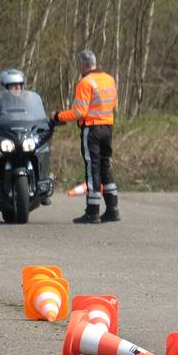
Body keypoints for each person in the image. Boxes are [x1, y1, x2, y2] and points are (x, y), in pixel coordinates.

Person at [0, 69, 51, 223]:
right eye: (13, 85)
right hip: (4, 141)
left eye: (20, 84)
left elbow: (37, 119)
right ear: (4, 87)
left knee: (42, 149)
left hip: (24, 139)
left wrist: (48, 123)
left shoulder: (29, 102)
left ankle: (43, 186)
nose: (17, 88)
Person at [52, 49, 119, 224]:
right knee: (105, 166)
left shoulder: (85, 82)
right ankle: (112, 209)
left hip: (92, 130)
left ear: (83, 65)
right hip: (108, 127)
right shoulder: (109, 79)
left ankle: (92, 212)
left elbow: (79, 112)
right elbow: (114, 104)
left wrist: (58, 116)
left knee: (92, 169)